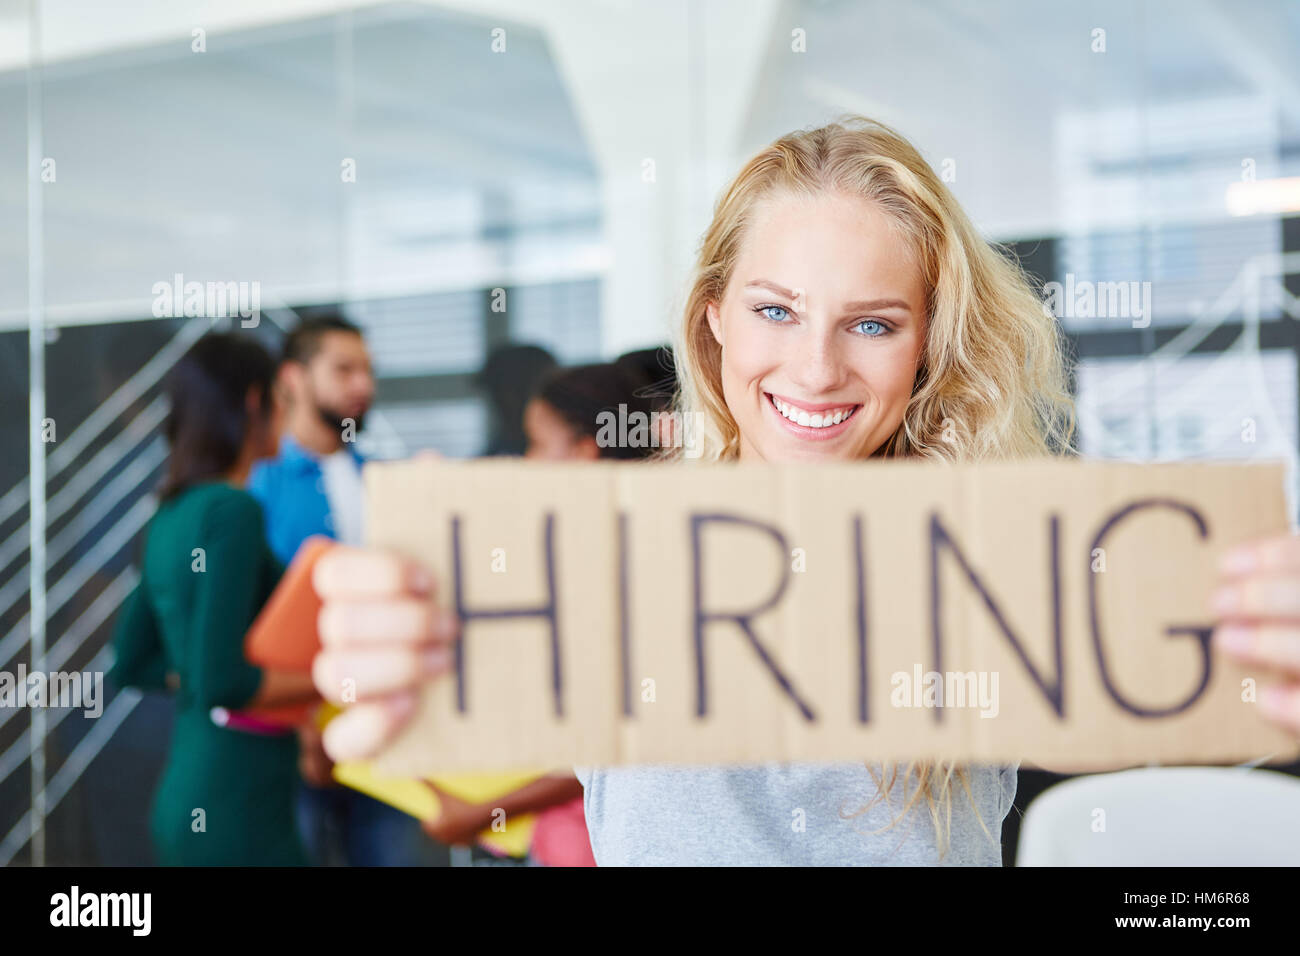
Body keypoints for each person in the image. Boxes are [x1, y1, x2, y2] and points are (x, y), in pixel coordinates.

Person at [304, 117, 1300, 864]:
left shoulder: (986, 553)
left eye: (871, 324)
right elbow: (453, 692)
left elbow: (1115, 717)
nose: (815, 371)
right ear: (713, 325)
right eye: (776, 309)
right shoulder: (607, 553)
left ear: (927, 348)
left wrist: (1256, 663)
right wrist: (390, 654)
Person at [109, 332, 319, 866]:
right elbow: (224, 680)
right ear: (255, 400)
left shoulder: (172, 513)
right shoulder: (232, 511)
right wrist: (338, 681)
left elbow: (133, 661)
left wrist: (198, 670)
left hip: (193, 793)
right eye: (283, 399)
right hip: (238, 805)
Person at [247, 314, 437, 867]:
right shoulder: (259, 483)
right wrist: (304, 722)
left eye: (369, 371)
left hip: (386, 728)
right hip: (292, 735)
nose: (363, 386)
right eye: (344, 370)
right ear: (294, 379)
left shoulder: (380, 477)